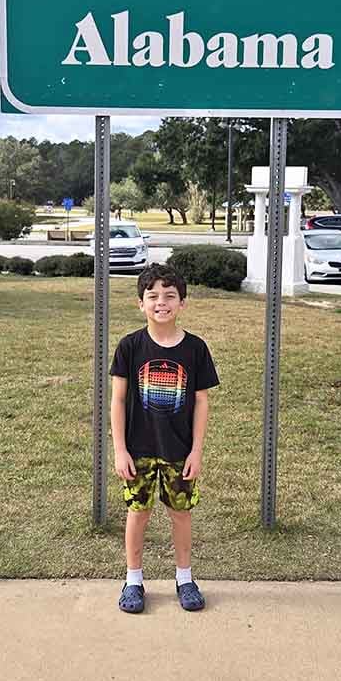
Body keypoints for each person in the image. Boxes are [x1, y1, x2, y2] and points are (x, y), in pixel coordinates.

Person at [110, 262, 220, 614]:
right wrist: (120, 450)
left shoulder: (196, 349)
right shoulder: (129, 347)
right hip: (138, 450)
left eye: (170, 296)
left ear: (182, 303)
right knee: (137, 513)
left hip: (179, 450)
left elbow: (202, 401)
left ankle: (185, 578)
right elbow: (117, 399)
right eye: (152, 296)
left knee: (181, 514)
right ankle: (133, 580)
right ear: (140, 303)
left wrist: (197, 451)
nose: (161, 302)